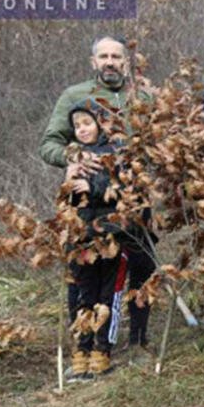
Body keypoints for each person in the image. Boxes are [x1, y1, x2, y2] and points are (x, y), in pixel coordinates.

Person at [39, 35, 155, 361]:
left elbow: (160, 143)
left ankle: (138, 340)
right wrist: (72, 158)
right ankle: (85, 344)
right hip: (87, 204)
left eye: (116, 56)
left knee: (141, 266)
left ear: (125, 62)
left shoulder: (142, 96)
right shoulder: (75, 96)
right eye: (103, 56)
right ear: (93, 62)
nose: (109, 62)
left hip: (133, 198)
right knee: (83, 271)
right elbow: (49, 143)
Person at [63, 100, 125, 381]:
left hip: (109, 232)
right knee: (83, 293)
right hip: (81, 237)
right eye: (77, 126)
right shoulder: (75, 156)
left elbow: (122, 188)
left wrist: (94, 187)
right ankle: (81, 352)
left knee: (106, 294)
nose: (82, 129)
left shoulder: (114, 152)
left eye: (87, 123)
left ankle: (102, 351)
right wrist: (69, 183)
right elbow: (69, 199)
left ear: (100, 123)